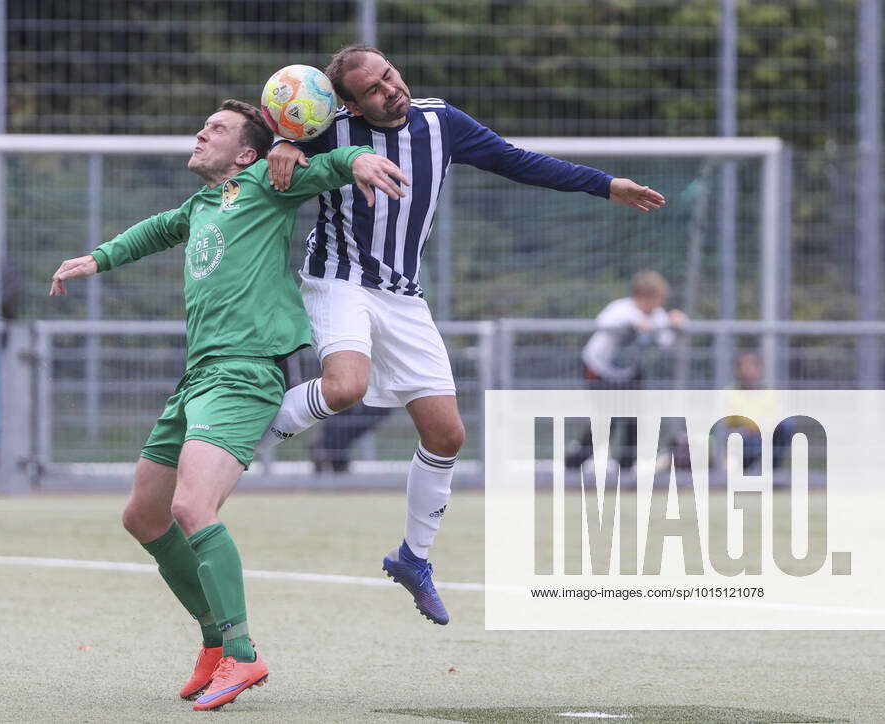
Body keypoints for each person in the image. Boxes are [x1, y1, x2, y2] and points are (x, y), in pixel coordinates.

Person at [253, 44, 666, 625]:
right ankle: (233, 445)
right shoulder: (331, 131)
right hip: (338, 280)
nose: (390, 90)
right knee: (345, 386)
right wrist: (282, 142)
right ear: (350, 105)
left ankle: (413, 558)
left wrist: (605, 185)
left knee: (446, 434)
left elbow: (517, 160)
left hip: (403, 295)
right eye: (372, 90)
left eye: (389, 76)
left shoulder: (440, 121)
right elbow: (269, 138)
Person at [48, 99, 406, 711]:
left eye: (215, 128)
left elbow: (328, 165)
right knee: (143, 516)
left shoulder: (268, 179)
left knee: (192, 506)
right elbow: (157, 229)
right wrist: (99, 258)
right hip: (199, 375)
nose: (200, 132)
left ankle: (242, 653)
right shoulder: (201, 204)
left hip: (244, 372)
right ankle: (216, 640)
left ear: (245, 152)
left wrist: (359, 159)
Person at [566, 270, 687, 470]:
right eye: (657, 298)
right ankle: (573, 463)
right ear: (643, 296)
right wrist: (630, 324)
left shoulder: (657, 316)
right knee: (607, 421)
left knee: (635, 418)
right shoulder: (620, 309)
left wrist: (677, 325)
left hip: (628, 372)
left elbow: (668, 342)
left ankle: (627, 467)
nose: (660, 303)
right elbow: (602, 323)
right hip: (599, 370)